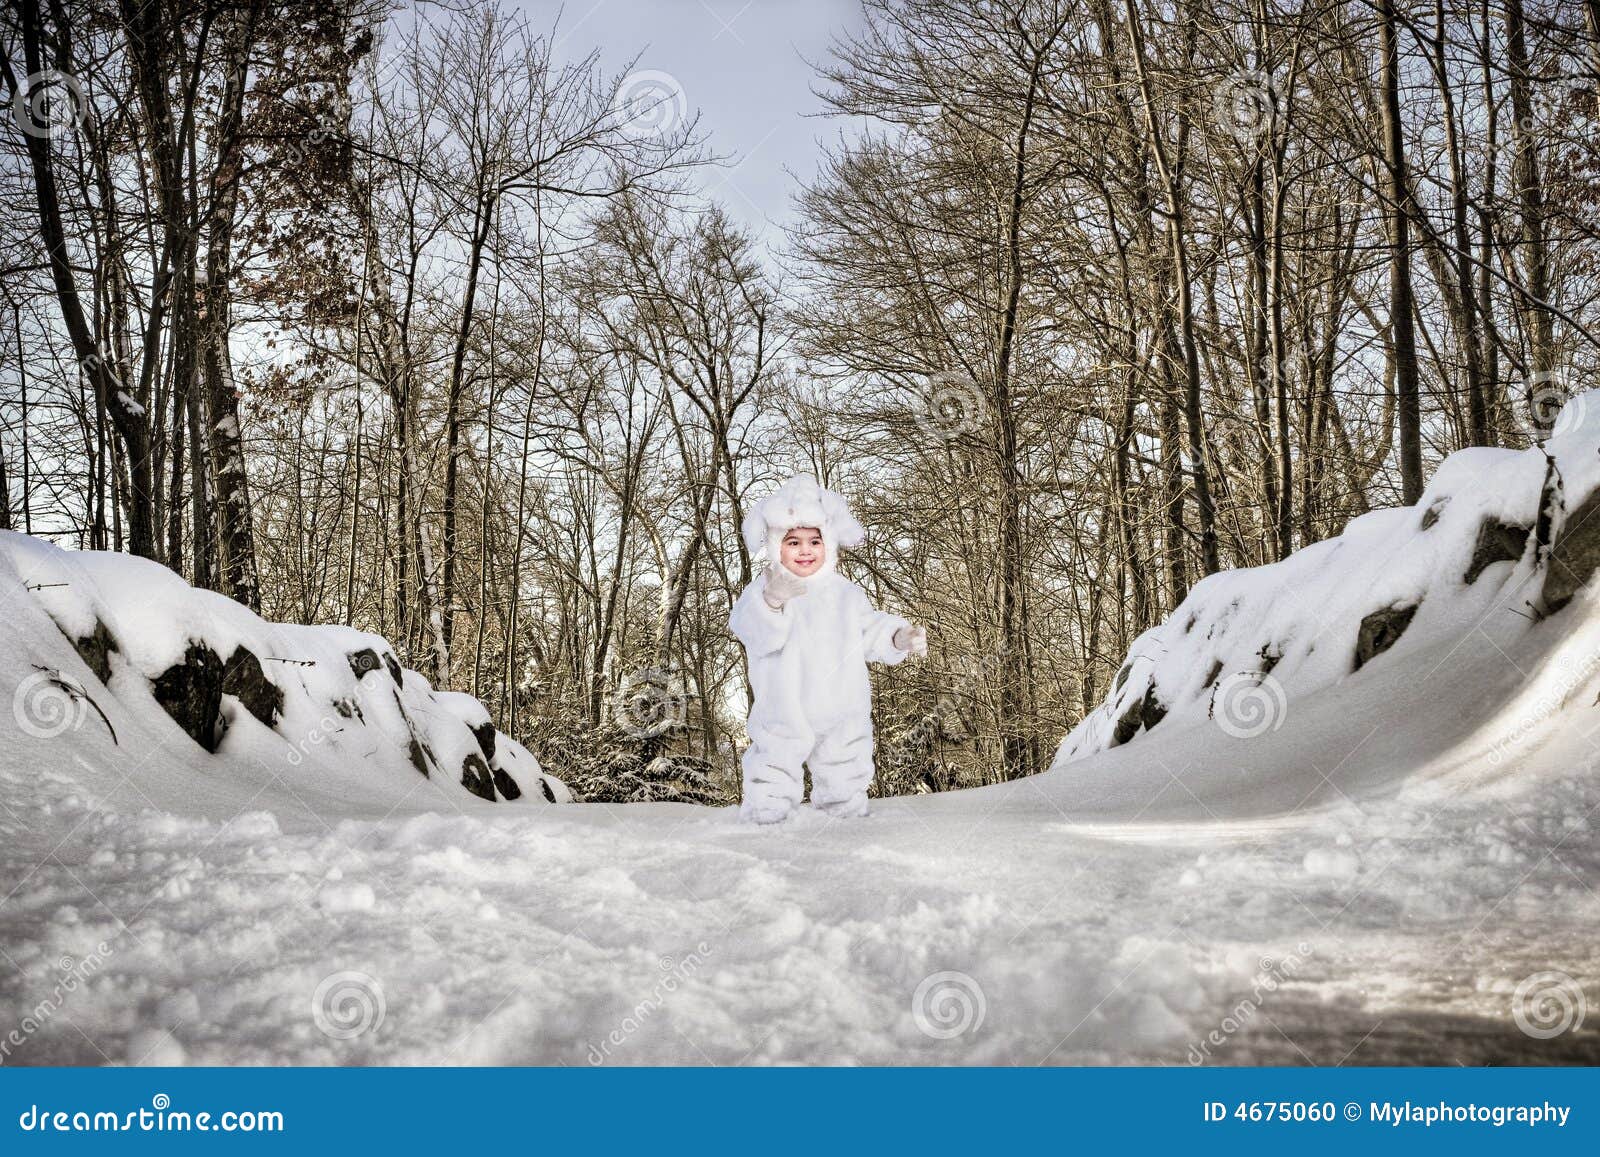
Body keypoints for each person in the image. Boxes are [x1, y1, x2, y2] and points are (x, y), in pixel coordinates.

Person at [728, 475, 928, 824]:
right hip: (783, 708)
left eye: (814, 541)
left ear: (829, 544)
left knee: (846, 771)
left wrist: (898, 637)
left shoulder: (844, 593)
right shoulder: (764, 589)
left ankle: (845, 827)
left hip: (842, 709)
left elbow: (869, 629)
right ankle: (765, 825)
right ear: (777, 545)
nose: (805, 550)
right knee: (772, 766)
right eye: (793, 542)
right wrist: (772, 600)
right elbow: (749, 630)